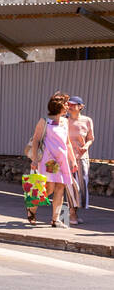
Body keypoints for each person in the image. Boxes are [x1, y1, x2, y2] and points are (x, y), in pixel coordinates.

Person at [27, 92, 79, 227]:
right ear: (59, 107)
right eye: (66, 105)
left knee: (60, 187)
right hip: (50, 160)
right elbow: (36, 140)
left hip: (62, 160)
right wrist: (34, 159)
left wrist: (72, 160)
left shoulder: (65, 121)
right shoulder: (44, 121)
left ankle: (56, 220)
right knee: (48, 188)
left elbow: (67, 142)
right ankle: (31, 209)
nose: (68, 107)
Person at [66, 95, 95, 225]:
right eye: (69, 104)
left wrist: (86, 146)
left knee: (82, 186)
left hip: (82, 157)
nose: (70, 107)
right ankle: (70, 215)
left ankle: (74, 214)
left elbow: (91, 138)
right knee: (71, 186)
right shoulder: (63, 120)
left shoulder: (87, 120)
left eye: (73, 105)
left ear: (80, 106)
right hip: (67, 158)